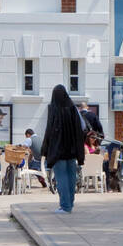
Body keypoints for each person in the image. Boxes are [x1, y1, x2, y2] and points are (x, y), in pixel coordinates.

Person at [44, 84, 85, 214]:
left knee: (61, 178)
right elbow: (82, 126)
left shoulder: (54, 109)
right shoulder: (73, 109)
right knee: (71, 177)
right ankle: (70, 204)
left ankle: (65, 206)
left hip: (58, 151)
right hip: (72, 150)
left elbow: (49, 131)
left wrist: (45, 149)